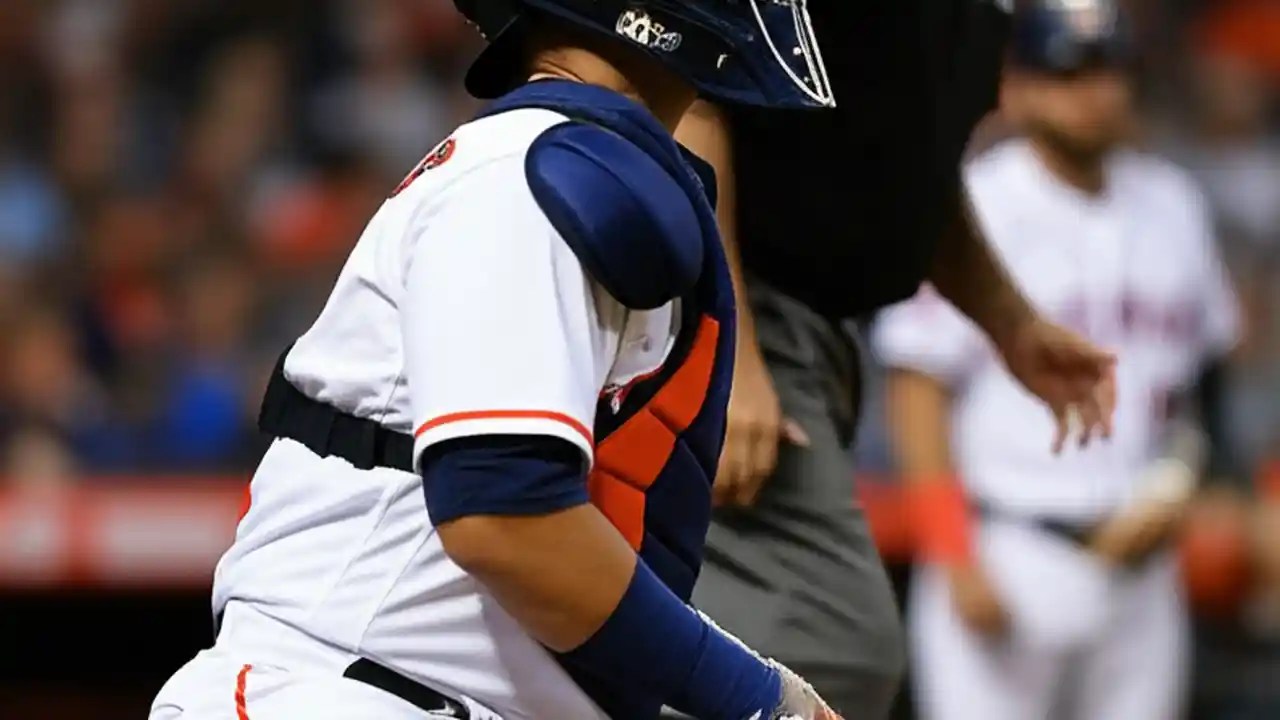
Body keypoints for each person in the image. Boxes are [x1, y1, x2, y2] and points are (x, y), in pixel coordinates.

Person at [149, 0, 848, 718]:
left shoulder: (569, 166)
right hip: (352, 689)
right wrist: (756, 697)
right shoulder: (528, 177)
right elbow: (504, 514)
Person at [674, 0, 1118, 715]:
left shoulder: (977, 20)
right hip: (735, 296)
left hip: (816, 328)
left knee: (792, 646)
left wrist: (1010, 322)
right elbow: (695, 95)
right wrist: (728, 346)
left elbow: (911, 171)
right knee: (831, 642)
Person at [873, 1, 1242, 718]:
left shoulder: (1174, 202)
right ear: (1018, 87)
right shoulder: (980, 205)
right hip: (1011, 544)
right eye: (1070, 74)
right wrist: (952, 552)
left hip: (1143, 567)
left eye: (1112, 71)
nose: (1097, 93)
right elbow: (916, 387)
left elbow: (1204, 378)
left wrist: (1196, 484)